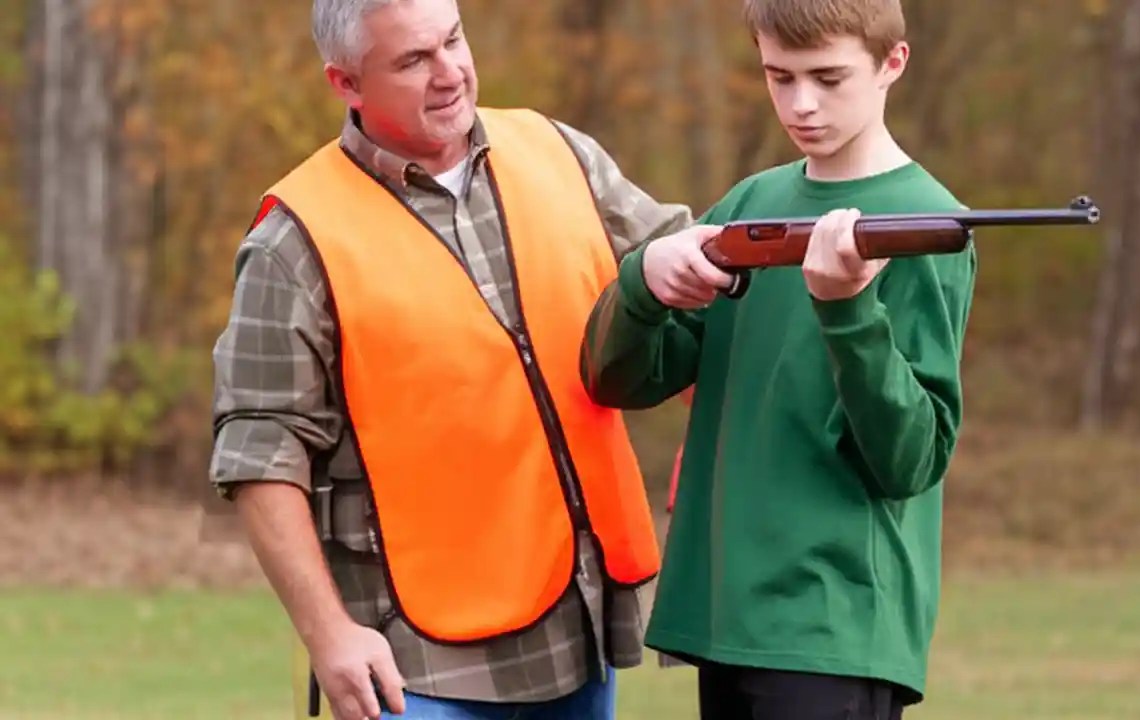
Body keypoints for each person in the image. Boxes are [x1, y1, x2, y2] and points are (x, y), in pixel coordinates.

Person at [208, 1, 710, 718]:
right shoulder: (293, 241)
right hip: (414, 667)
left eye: (453, 41)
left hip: (578, 640)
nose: (449, 74)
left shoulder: (557, 151)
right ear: (345, 82)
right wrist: (328, 635)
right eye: (413, 60)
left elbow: (693, 285)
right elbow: (258, 456)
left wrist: (717, 411)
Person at [580, 0, 978, 718]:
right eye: (779, 76)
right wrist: (644, 281)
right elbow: (620, 381)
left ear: (893, 63)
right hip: (728, 620)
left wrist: (848, 308)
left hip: (835, 628)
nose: (802, 104)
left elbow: (911, 460)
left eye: (828, 78)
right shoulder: (750, 204)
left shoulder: (927, 222)